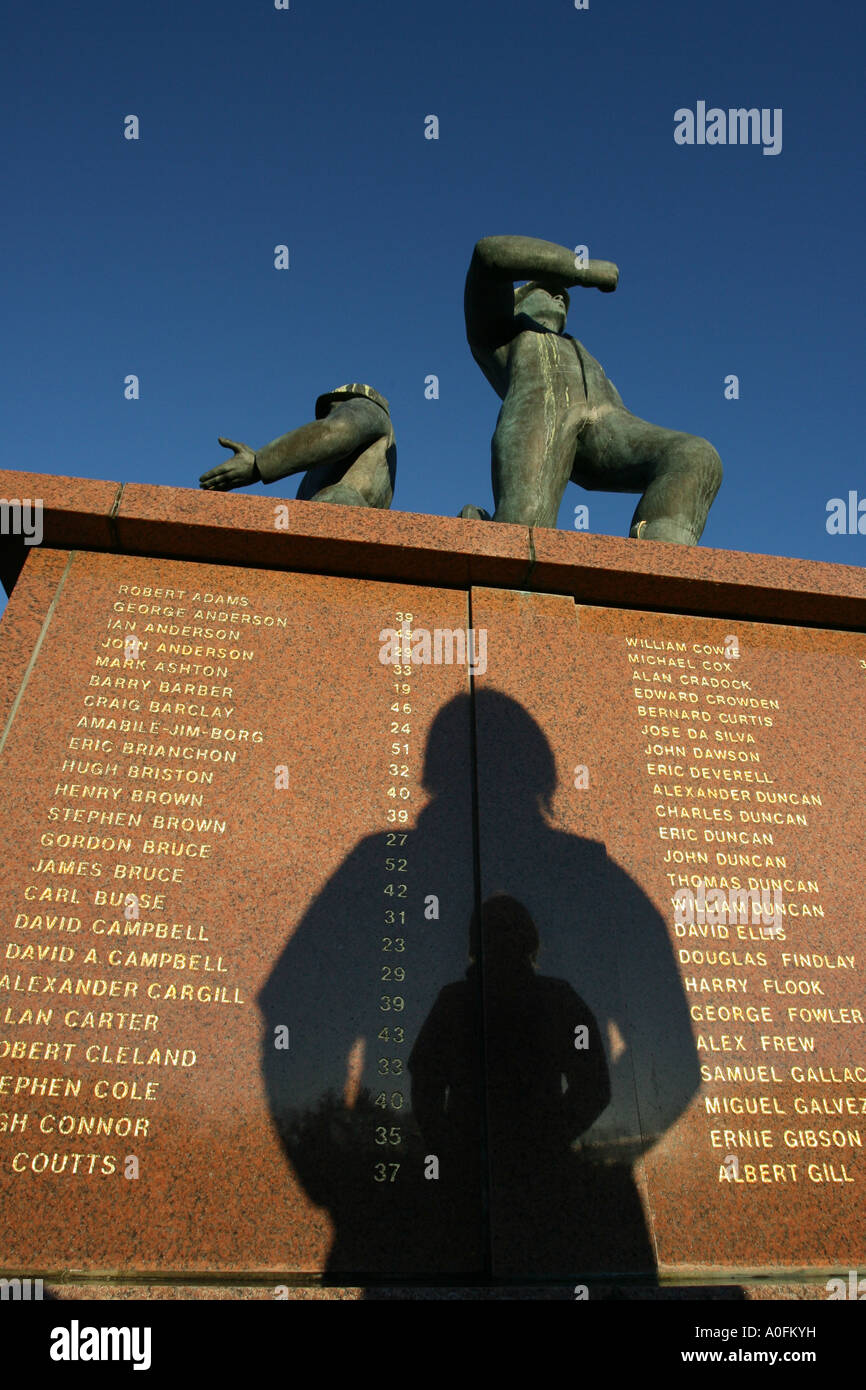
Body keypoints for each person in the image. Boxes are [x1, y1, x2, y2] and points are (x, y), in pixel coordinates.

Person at [460, 235, 722, 543]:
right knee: (523, 535)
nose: (561, 297)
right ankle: (486, 536)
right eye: (548, 288)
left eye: (564, 294)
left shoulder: (584, 354)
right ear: (517, 302)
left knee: (695, 454)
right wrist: (581, 270)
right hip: (539, 422)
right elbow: (488, 254)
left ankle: (659, 567)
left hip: (609, 426)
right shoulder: (499, 335)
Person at [199, 382, 396, 508]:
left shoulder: (368, 407)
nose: (326, 418)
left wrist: (258, 463)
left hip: (338, 510)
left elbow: (338, 430)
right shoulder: (316, 476)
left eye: (331, 409)